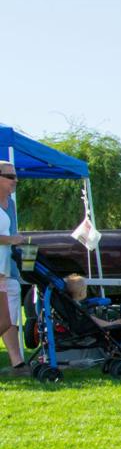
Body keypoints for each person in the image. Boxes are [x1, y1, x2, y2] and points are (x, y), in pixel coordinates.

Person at [0, 160, 29, 375]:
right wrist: (12, 240)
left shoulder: (9, 204)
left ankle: (17, 363)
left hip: (5, 270)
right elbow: (7, 238)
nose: (15, 180)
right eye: (10, 176)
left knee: (7, 320)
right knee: (4, 320)